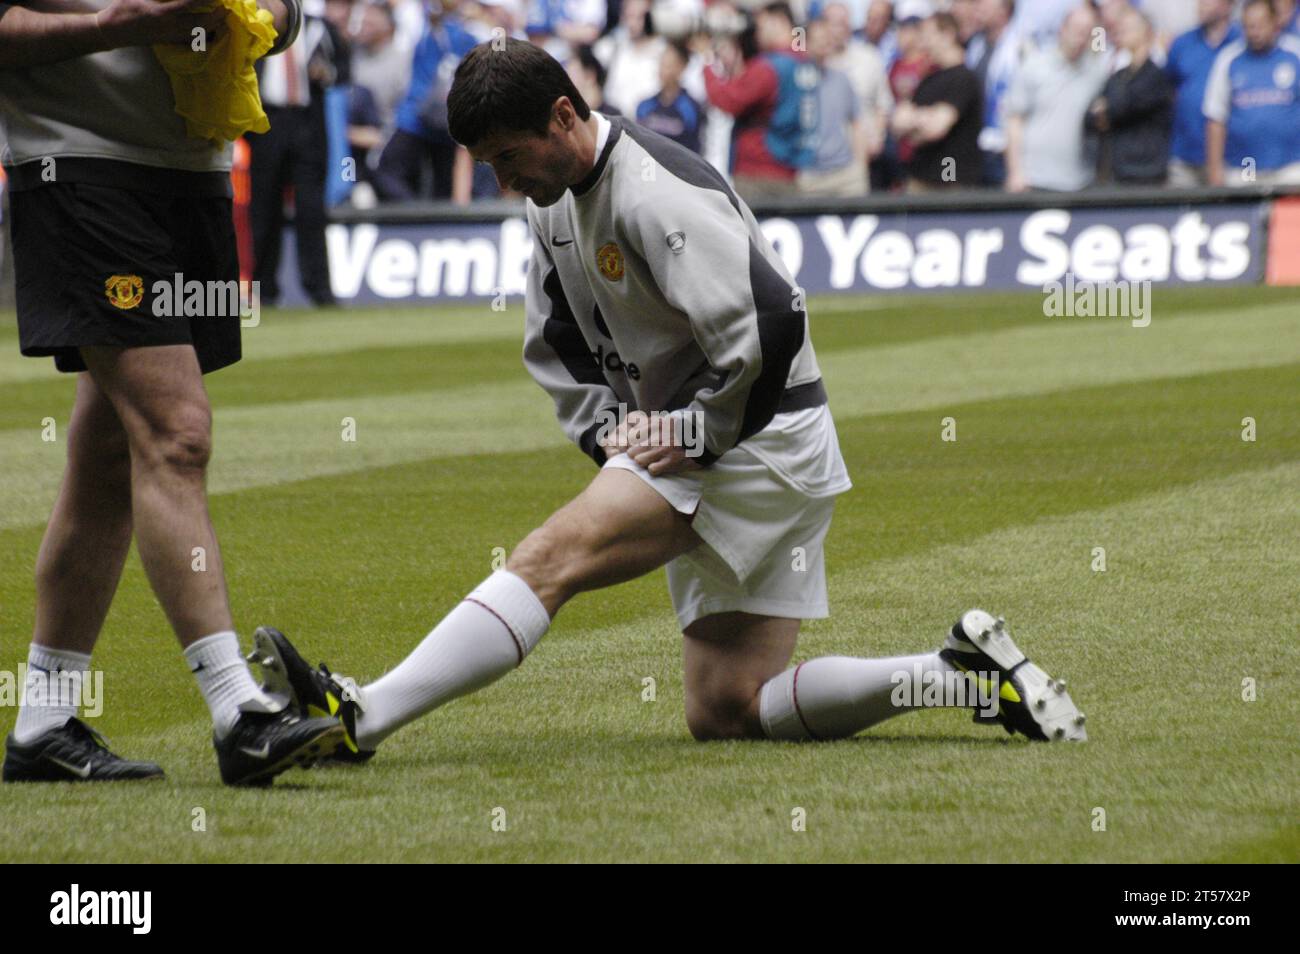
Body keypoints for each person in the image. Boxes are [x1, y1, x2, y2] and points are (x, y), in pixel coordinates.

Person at [251, 37, 1087, 761]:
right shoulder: (553, 203)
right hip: (728, 437)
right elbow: (559, 344)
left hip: (756, 436)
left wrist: (697, 429)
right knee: (726, 709)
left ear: (563, 116)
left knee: (548, 557)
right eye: (490, 166)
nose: (504, 181)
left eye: (509, 158)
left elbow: (775, 319)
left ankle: (358, 714)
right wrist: (608, 435)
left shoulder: (655, 191)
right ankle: (955, 678)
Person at [0, 0, 344, 785]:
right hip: (77, 165)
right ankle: (239, 712)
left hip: (195, 168)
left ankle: (43, 721)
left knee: (109, 449)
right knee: (176, 430)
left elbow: (286, 17)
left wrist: (261, 18)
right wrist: (125, 24)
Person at [249, 1, 350, 307]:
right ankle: (265, 290)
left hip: (308, 123)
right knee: (265, 208)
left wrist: (326, 73)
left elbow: (344, 70)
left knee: (312, 210)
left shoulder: (320, 28)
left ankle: (320, 290)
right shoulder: (256, 26)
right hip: (269, 121)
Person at [704, 2, 820, 204]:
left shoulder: (769, 67)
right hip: (792, 168)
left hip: (759, 173)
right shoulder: (803, 61)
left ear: (778, 21)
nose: (755, 34)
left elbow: (727, 100)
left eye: (759, 25)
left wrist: (706, 62)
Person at [1003, 5, 1109, 192]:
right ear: (1062, 28)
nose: (1080, 37)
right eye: (1076, 29)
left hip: (1079, 179)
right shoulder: (1034, 65)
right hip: (1034, 176)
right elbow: (1014, 119)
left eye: (1087, 32)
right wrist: (1015, 172)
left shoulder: (1097, 71)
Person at [1204, 0, 1300, 187]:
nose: (1254, 32)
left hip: (1290, 166)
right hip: (1246, 167)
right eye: (1249, 26)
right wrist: (1215, 170)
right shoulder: (1229, 58)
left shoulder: (1295, 54)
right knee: (1246, 211)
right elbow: (1215, 117)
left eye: (1260, 25)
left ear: (1275, 22)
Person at [891, 12, 983, 190]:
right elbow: (897, 123)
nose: (924, 44)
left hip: (949, 176)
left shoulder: (964, 78)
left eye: (928, 37)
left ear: (947, 35)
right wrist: (923, 119)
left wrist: (914, 120)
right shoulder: (928, 79)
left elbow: (936, 128)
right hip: (919, 176)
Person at [1086, 7, 1173, 185]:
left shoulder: (1155, 75)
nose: (1121, 31)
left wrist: (1106, 109)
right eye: (1120, 27)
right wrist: (1106, 111)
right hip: (1116, 170)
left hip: (1147, 172)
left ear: (1146, 33)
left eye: (1128, 27)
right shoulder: (1119, 75)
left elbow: (1120, 108)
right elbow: (1089, 118)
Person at [1164, 0, 1241, 187]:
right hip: (1184, 156)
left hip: (1231, 159)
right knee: (1180, 214)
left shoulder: (1242, 42)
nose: (1201, 5)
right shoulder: (1182, 43)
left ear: (1228, 5)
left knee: (1228, 214)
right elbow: (1168, 90)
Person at [798, 17, 869, 196]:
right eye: (818, 38)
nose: (824, 42)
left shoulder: (842, 79)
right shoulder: (794, 80)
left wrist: (860, 166)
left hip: (845, 172)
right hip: (808, 174)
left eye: (827, 38)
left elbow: (857, 122)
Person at [635, 39, 705, 154]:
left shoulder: (691, 109)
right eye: (661, 64)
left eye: (668, 65)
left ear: (681, 68)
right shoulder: (644, 106)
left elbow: (695, 151)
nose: (662, 70)